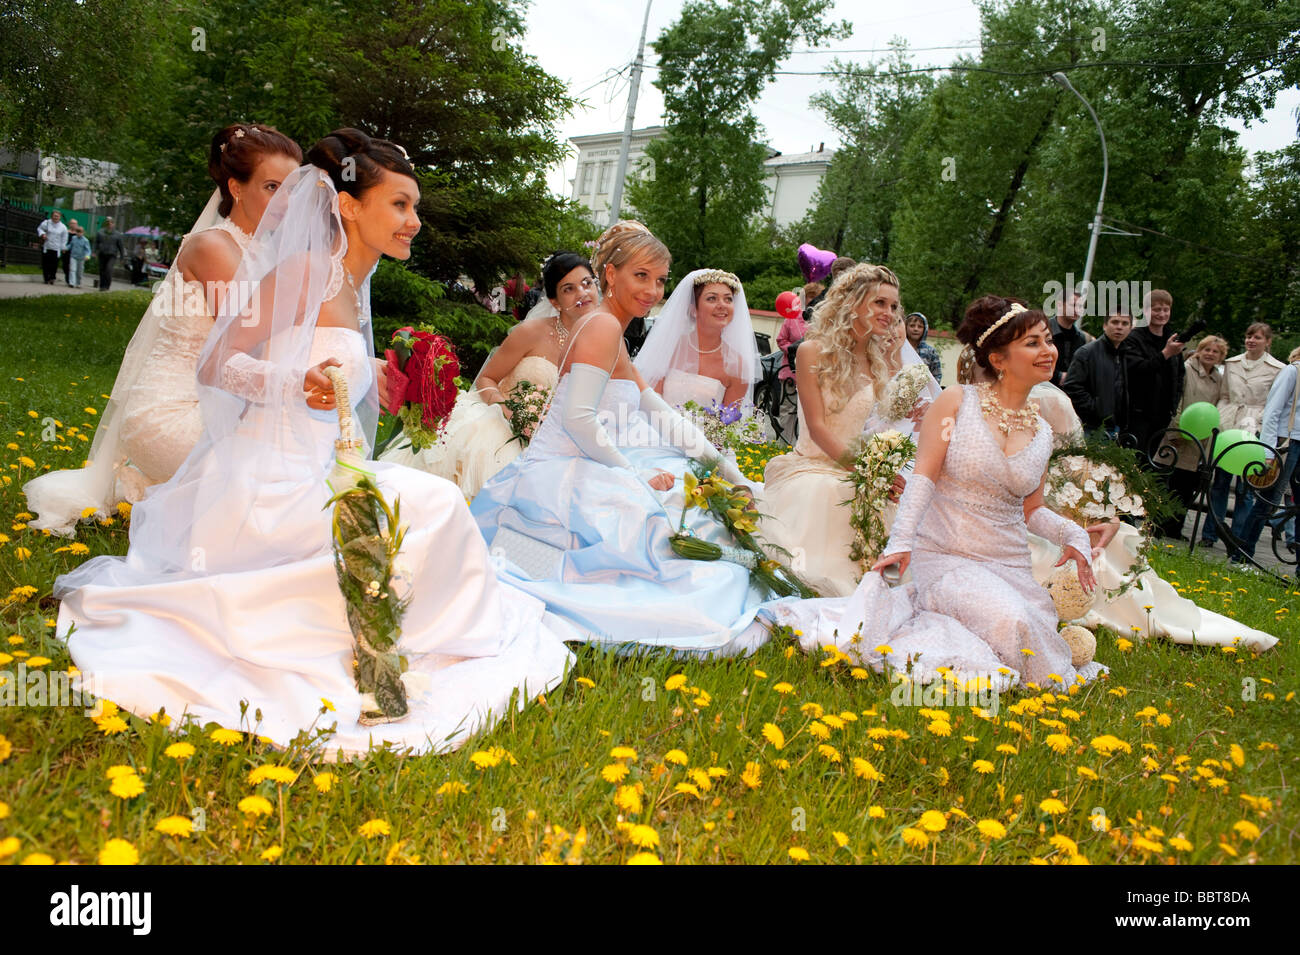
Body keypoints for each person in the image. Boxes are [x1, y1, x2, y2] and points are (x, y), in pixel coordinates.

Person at [53, 128, 574, 755]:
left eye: (416, 207)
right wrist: (291, 384)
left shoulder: (354, 283)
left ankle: (410, 641)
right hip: (264, 484)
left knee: (432, 500)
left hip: (318, 470)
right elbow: (216, 364)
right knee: (433, 504)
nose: (414, 221)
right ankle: (394, 644)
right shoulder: (305, 270)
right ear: (350, 206)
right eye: (400, 205)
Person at [765, 296, 1106, 690]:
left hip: (1009, 567)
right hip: (943, 557)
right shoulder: (956, 402)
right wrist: (900, 544)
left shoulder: (1044, 430)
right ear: (998, 359)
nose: (1048, 351)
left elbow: (1033, 510)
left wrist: (1073, 534)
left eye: (1048, 340)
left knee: (1026, 622)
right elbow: (923, 478)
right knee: (1013, 623)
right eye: (1033, 343)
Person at [471, 220, 776, 657]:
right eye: (641, 275)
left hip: (584, 463)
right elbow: (578, 421)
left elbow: (664, 416)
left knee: (689, 502)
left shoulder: (608, 329)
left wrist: (732, 472)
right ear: (610, 275)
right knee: (658, 528)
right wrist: (634, 476)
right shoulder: (602, 327)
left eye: (660, 280)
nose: (653, 290)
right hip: (561, 473)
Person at [25, 123, 303, 536]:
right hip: (171, 411)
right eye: (271, 187)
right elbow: (257, 339)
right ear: (236, 187)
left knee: (294, 463)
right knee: (280, 476)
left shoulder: (263, 250)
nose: (285, 201)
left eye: (293, 189)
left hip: (223, 398)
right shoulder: (215, 247)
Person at [951, 344, 1276, 652]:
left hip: (1042, 506)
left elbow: (1075, 468)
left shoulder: (1049, 404)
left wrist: (1095, 511)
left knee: (1101, 543)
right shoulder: (956, 411)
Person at [380, 251, 597, 498]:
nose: (582, 293)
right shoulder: (531, 332)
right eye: (569, 289)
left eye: (587, 283)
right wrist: (514, 415)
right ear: (555, 302)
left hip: (559, 440)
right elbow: (486, 379)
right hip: (500, 423)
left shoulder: (603, 343)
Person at [758, 264, 904, 597]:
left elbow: (872, 429)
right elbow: (820, 428)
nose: (889, 313)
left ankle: (879, 590)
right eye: (880, 303)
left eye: (893, 306)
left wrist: (883, 471)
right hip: (813, 466)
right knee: (835, 494)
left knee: (884, 514)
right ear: (853, 302)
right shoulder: (813, 351)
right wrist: (867, 471)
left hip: (856, 469)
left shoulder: (876, 361)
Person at [1202, 322, 1285, 550]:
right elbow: (1225, 394)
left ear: (1267, 341)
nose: (1252, 340)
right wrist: (1221, 417)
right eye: (1249, 336)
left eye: (1257, 337)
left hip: (1255, 423)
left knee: (1245, 488)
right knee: (1219, 482)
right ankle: (1211, 532)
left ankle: (1237, 539)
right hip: (1229, 422)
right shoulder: (1232, 363)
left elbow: (1274, 402)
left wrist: (1261, 424)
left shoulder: (1277, 368)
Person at [635, 268, 760, 410]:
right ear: (693, 310)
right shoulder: (669, 347)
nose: (722, 305)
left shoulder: (737, 365)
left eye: (728, 299)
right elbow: (649, 402)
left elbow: (729, 422)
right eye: (712, 298)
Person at [1234, 349, 1300, 569]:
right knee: (1267, 503)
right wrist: (1269, 451)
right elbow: (1272, 411)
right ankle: (1241, 556)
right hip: (1287, 441)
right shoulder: (1293, 371)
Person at [1160, 335, 1227, 535]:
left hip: (1201, 438)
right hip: (1180, 433)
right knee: (1171, 484)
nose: (1210, 354)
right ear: (1199, 350)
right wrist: (1177, 428)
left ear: (1221, 356)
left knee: (1188, 486)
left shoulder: (1219, 379)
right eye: (1206, 349)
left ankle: (1175, 528)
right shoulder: (1187, 369)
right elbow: (1178, 398)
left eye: (1215, 351)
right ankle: (1161, 525)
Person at [1122, 289, 1186, 461]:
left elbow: (1179, 376)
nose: (1161, 314)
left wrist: (1173, 405)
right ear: (1146, 310)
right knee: (1132, 460)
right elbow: (1137, 370)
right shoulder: (1134, 338)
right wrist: (1165, 353)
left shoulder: (1172, 338)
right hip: (1138, 413)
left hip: (1163, 414)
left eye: (1166, 309)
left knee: (1150, 463)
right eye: (1156, 309)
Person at [1063, 311, 1132, 437]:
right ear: (1105, 325)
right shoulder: (1086, 353)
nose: (1119, 327)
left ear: (1130, 328)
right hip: (1091, 427)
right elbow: (1072, 388)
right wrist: (1097, 408)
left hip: (1116, 427)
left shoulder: (1125, 354)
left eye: (1125, 323)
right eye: (1115, 322)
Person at [1048, 290, 1092, 386]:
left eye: (1080, 306)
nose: (1077, 309)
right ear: (1059, 305)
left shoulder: (1083, 338)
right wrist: (1058, 376)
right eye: (1073, 305)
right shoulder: (1043, 331)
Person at [905, 311, 943, 382]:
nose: (916, 329)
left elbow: (937, 375)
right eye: (912, 325)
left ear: (925, 329)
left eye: (920, 326)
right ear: (905, 327)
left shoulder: (931, 352)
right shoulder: (899, 349)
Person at [37, 209, 69, 285]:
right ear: (52, 216)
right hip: (47, 246)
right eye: (54, 216)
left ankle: (52, 277)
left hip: (56, 248)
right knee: (45, 263)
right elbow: (40, 228)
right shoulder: (46, 223)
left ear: (60, 217)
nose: (55, 217)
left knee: (54, 264)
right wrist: (42, 234)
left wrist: (63, 247)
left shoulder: (63, 227)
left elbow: (64, 238)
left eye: (57, 216)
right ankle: (46, 278)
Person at [93, 217, 125, 290]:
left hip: (112, 255)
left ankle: (107, 285)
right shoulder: (100, 232)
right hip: (102, 254)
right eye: (108, 222)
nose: (109, 224)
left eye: (111, 222)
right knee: (102, 270)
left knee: (108, 269)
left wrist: (122, 257)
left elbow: (121, 246)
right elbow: (96, 243)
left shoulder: (117, 234)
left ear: (114, 224)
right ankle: (102, 286)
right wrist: (94, 251)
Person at [66, 223, 91, 288]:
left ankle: (78, 283)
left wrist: (87, 256)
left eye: (80, 232)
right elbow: (70, 245)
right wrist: (65, 248)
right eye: (77, 232)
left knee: (79, 271)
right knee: (72, 269)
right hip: (73, 256)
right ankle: (72, 283)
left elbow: (88, 250)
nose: (79, 233)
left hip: (81, 258)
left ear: (83, 233)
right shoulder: (74, 238)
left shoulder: (85, 240)